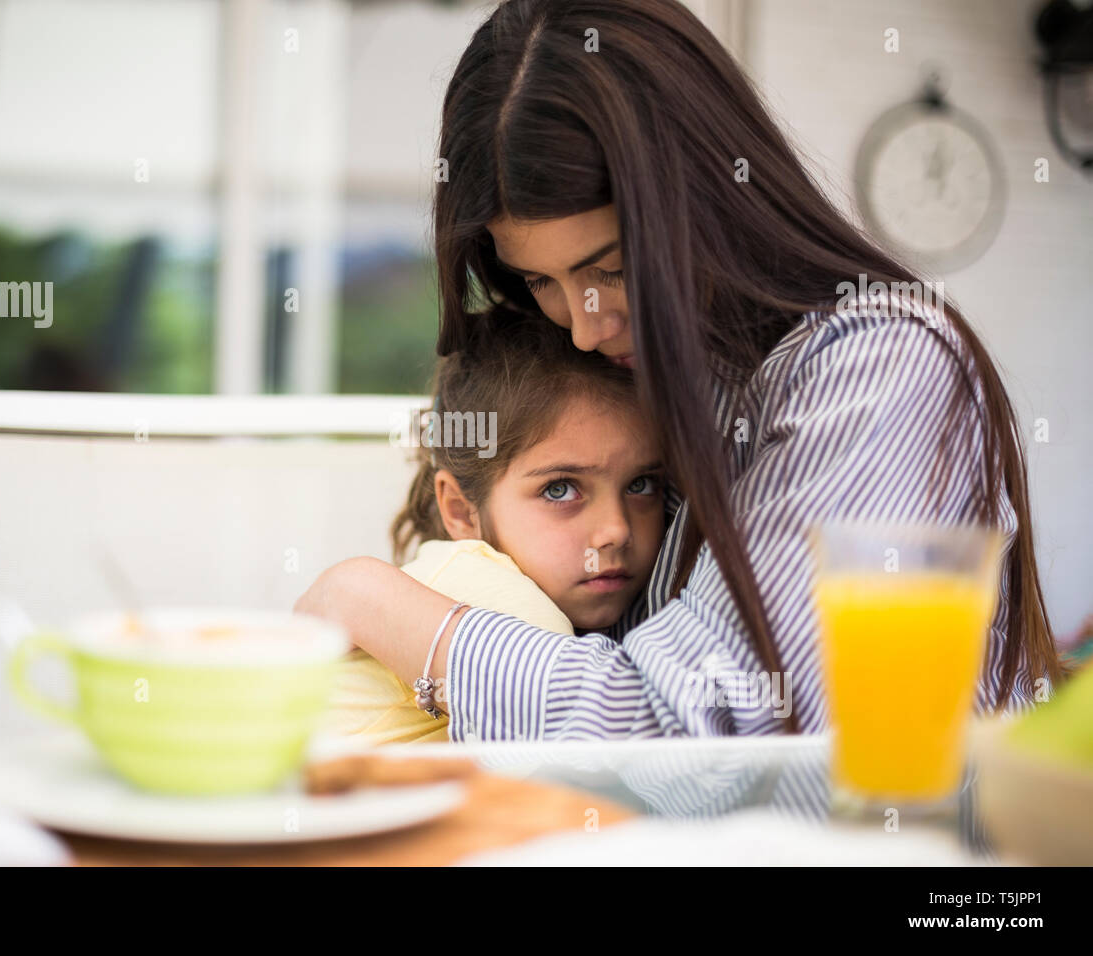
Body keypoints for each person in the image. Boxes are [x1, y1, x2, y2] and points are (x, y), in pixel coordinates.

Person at [296, 0, 1068, 740]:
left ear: (705, 198)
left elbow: (697, 733)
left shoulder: (881, 370)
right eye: (541, 282)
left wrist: (367, 598)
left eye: (615, 267)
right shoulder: (646, 367)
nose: (586, 325)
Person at [325, 306, 666, 744]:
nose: (616, 530)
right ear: (463, 510)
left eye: (641, 485)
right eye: (560, 490)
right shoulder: (508, 603)